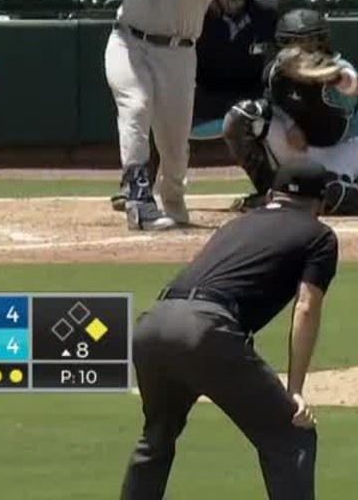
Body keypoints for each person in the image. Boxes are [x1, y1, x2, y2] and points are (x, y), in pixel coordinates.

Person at [119, 185, 335, 500]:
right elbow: (306, 307)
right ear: (321, 204)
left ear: (272, 195)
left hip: (153, 322)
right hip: (204, 330)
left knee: (157, 437)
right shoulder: (319, 235)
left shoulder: (237, 223)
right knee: (291, 432)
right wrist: (296, 390)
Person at [91, 0, 240, 231]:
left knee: (175, 142)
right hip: (127, 40)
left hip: (177, 52)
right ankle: (138, 199)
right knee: (135, 107)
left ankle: (172, 199)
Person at [107, 0, 281, 213]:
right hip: (202, 95)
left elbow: (276, 63)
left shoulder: (269, 11)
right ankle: (137, 186)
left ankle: (272, 190)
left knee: (280, 109)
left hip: (249, 96)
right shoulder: (192, 10)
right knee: (155, 105)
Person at [222, 8, 358, 217]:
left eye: (308, 44)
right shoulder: (276, 72)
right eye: (292, 45)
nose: (300, 51)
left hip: (341, 148)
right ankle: (271, 192)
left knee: (330, 198)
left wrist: (330, 75)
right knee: (241, 117)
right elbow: (276, 104)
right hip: (299, 144)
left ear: (322, 43)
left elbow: (354, 86)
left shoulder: (337, 69)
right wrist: (289, 125)